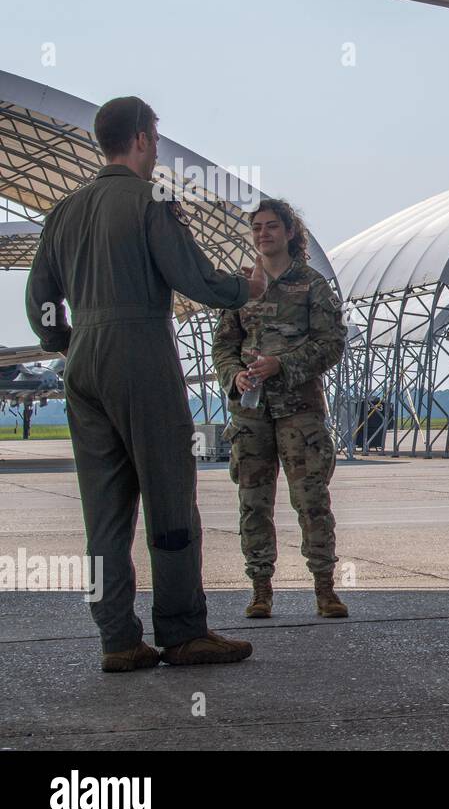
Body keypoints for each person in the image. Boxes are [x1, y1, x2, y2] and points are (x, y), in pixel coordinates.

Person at [25, 96, 265, 672]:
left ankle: (118, 640)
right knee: (169, 497)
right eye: (155, 137)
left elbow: (41, 304)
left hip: (83, 361)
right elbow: (192, 276)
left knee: (104, 513)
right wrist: (246, 289)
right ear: (138, 139)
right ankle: (183, 633)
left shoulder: (63, 212)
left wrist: (68, 344)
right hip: (141, 354)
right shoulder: (150, 200)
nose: (157, 146)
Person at [212, 199, 347, 619]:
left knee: (311, 502)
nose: (263, 233)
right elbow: (223, 345)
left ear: (290, 232)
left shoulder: (311, 285)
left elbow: (332, 343)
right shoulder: (241, 287)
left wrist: (282, 365)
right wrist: (234, 375)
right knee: (253, 503)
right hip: (251, 414)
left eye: (272, 226)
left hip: (299, 411)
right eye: (257, 227)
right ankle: (260, 589)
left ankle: (325, 588)